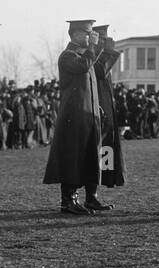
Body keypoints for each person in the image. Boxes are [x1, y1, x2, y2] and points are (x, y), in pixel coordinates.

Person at [42, 20, 112, 215]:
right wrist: (92, 47)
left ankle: (91, 197)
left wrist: (95, 105)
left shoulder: (84, 56)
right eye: (87, 34)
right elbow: (83, 67)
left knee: (91, 154)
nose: (91, 38)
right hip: (74, 116)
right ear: (76, 35)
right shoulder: (68, 56)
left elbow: (93, 79)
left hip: (87, 114)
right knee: (73, 156)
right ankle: (68, 200)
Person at [92, 24, 126, 196]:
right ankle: (92, 193)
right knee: (98, 149)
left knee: (106, 150)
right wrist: (109, 53)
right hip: (97, 111)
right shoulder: (94, 57)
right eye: (103, 39)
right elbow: (100, 72)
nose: (106, 42)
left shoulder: (101, 57)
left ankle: (97, 190)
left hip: (106, 111)